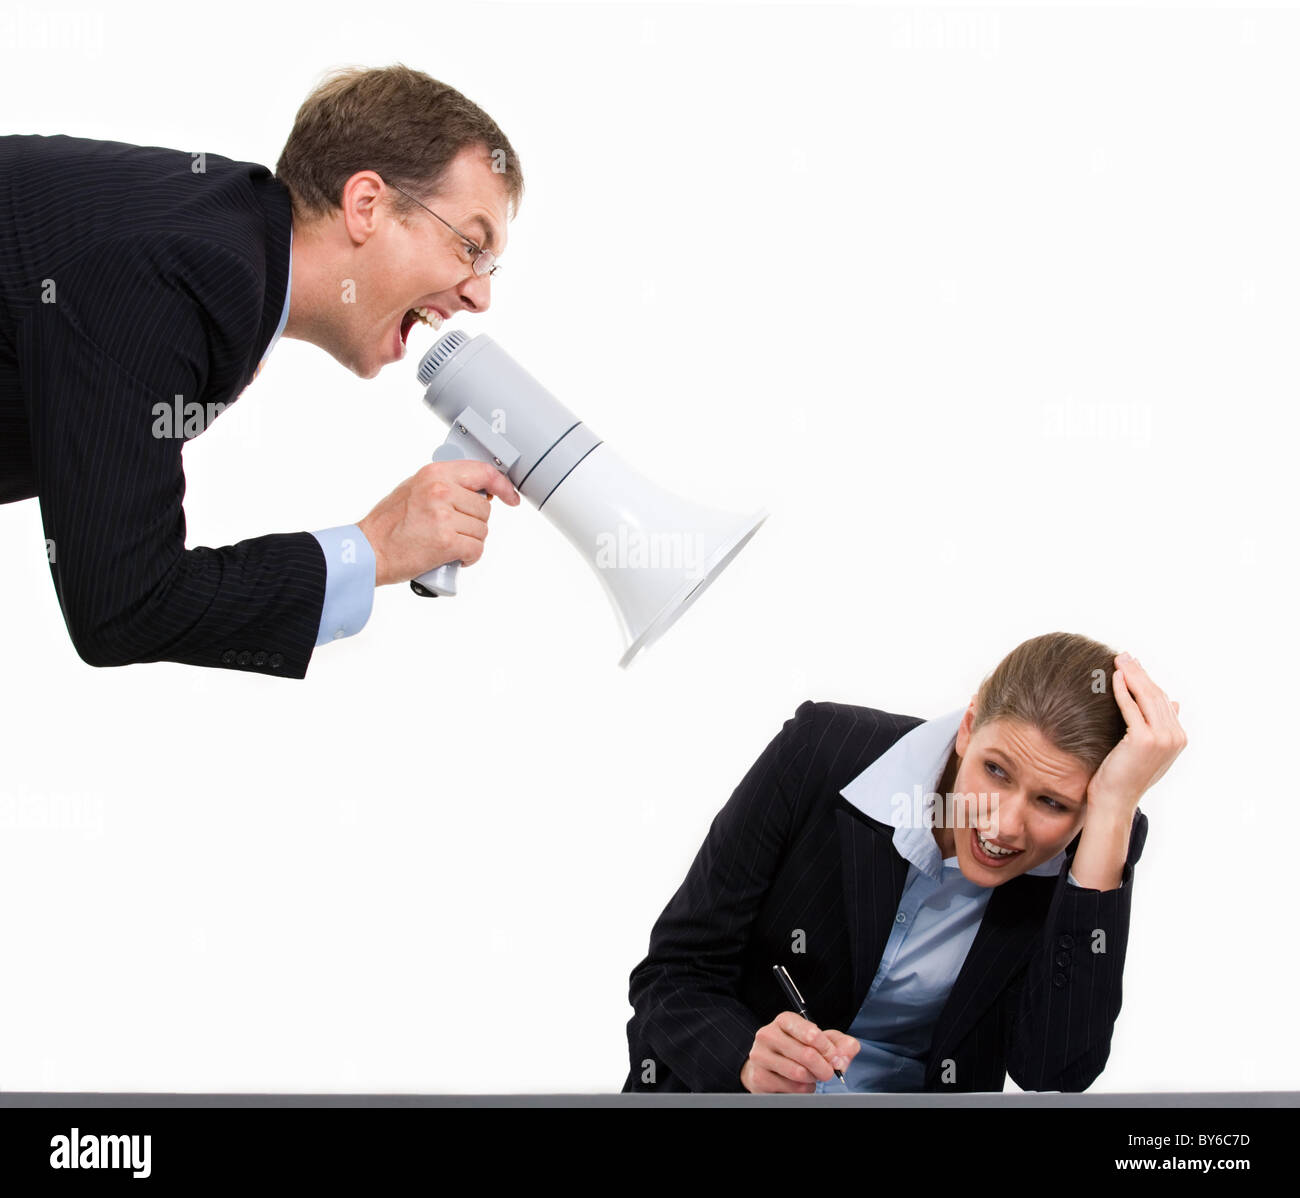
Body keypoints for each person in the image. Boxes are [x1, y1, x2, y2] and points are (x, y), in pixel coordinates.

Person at [0, 64, 522, 678]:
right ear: (367, 206)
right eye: (471, 246)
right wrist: (375, 547)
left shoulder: (233, 247)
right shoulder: (189, 274)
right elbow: (121, 606)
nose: (479, 296)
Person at [623, 631, 1186, 1093]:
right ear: (968, 727)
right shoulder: (823, 751)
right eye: (996, 770)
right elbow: (674, 971)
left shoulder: (1096, 842)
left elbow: (1055, 1069)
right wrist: (744, 1060)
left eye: (1052, 803)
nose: (1004, 826)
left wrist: (1112, 815)